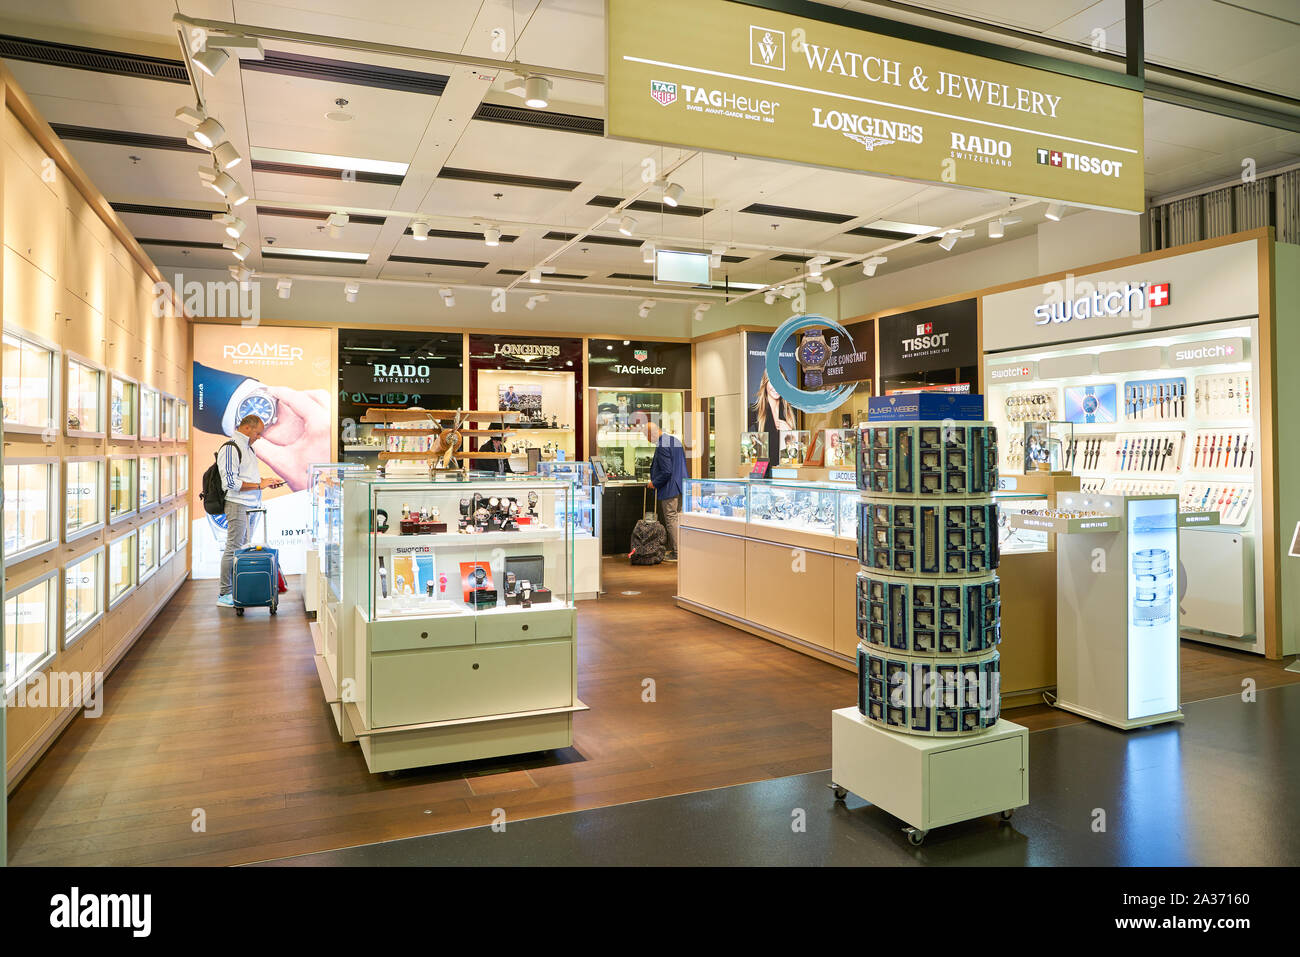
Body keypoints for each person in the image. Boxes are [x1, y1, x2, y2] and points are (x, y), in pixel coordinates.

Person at [216, 414, 284, 607]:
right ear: (247, 428)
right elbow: (230, 483)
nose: (259, 437)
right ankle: (224, 593)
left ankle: (238, 589)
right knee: (233, 548)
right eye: (258, 433)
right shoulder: (230, 448)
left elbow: (249, 478)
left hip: (250, 505)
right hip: (238, 504)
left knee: (242, 550)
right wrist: (259, 484)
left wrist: (266, 483)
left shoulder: (248, 449)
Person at [646, 419, 687, 562]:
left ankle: (677, 552)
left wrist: (654, 483)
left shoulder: (662, 445)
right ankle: (681, 550)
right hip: (681, 486)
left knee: (671, 520)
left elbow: (667, 471)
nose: (647, 439)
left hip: (669, 488)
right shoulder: (674, 440)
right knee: (678, 520)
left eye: (647, 435)